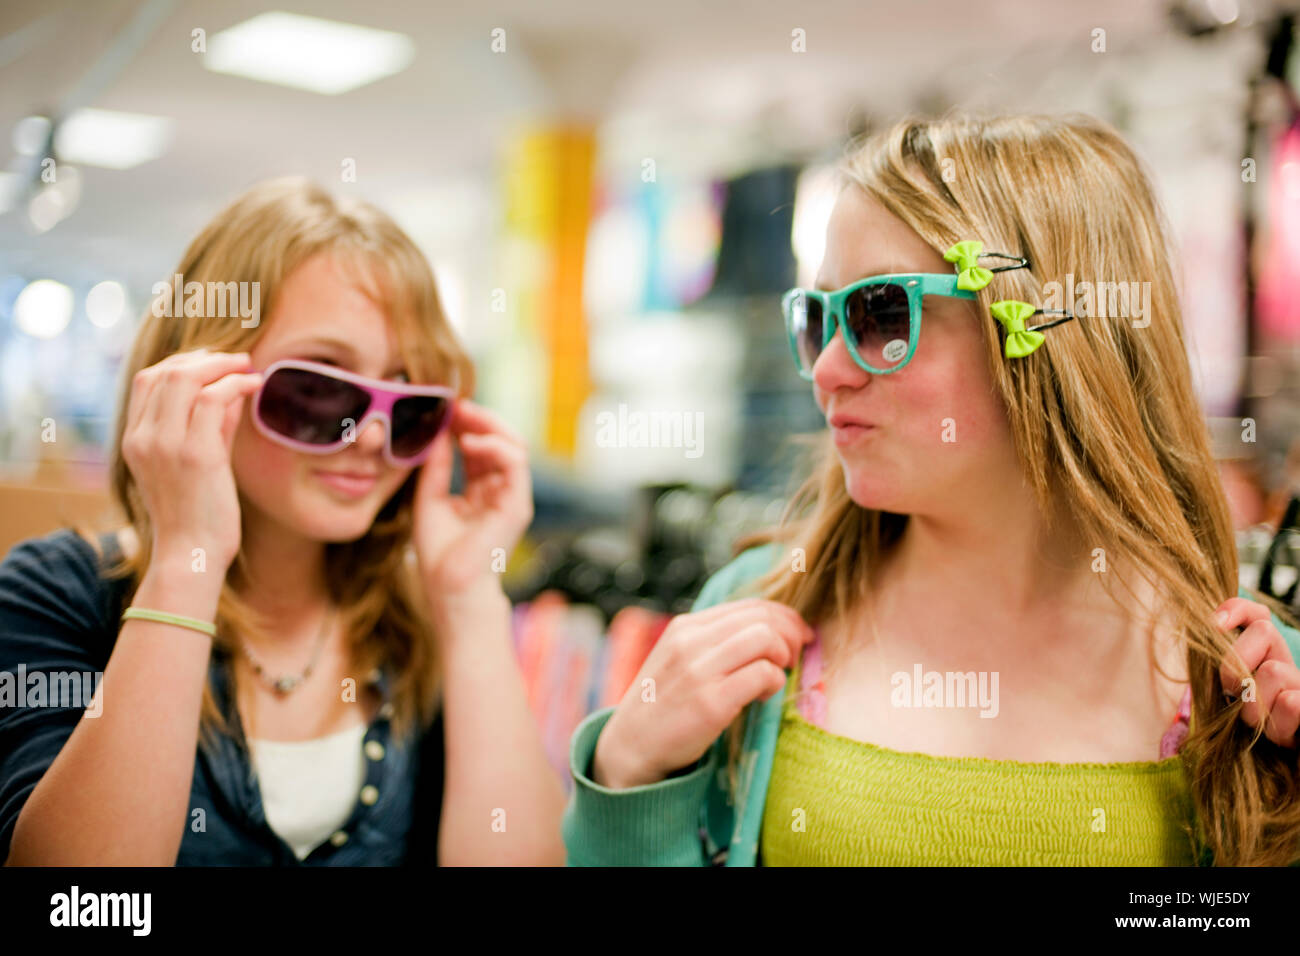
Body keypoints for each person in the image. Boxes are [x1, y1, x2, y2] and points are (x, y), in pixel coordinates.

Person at [562, 114, 1300, 867]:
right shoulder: (757, 619)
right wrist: (630, 776)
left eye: (881, 315)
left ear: (1050, 331)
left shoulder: (1246, 680)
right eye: (818, 318)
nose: (825, 371)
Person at [0, 177, 566, 865]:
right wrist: (187, 558)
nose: (370, 437)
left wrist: (471, 596)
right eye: (322, 388)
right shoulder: (56, 594)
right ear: (198, 379)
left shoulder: (421, 622)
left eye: (410, 400)